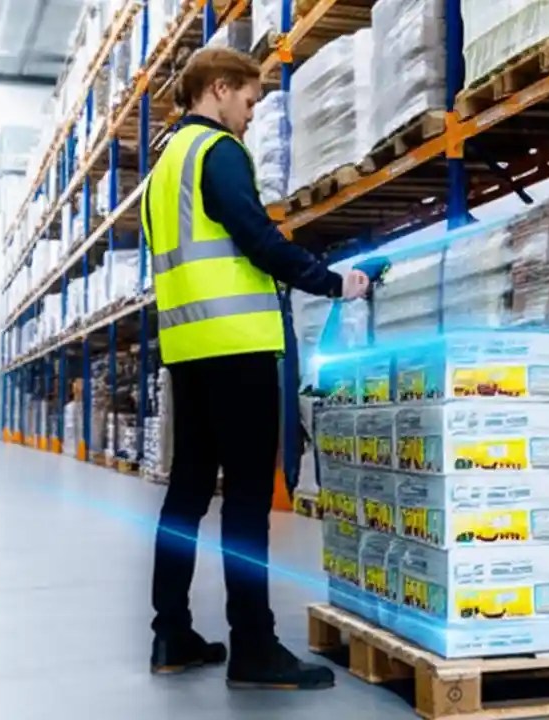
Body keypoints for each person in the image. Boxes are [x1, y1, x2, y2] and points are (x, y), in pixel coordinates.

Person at [140, 46, 370, 690]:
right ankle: (254, 647)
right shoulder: (217, 153)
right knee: (245, 501)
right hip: (236, 346)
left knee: (186, 492)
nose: (249, 114)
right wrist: (331, 283)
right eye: (248, 99)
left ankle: (171, 632)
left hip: (188, 349)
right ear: (218, 90)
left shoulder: (165, 166)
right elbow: (257, 238)